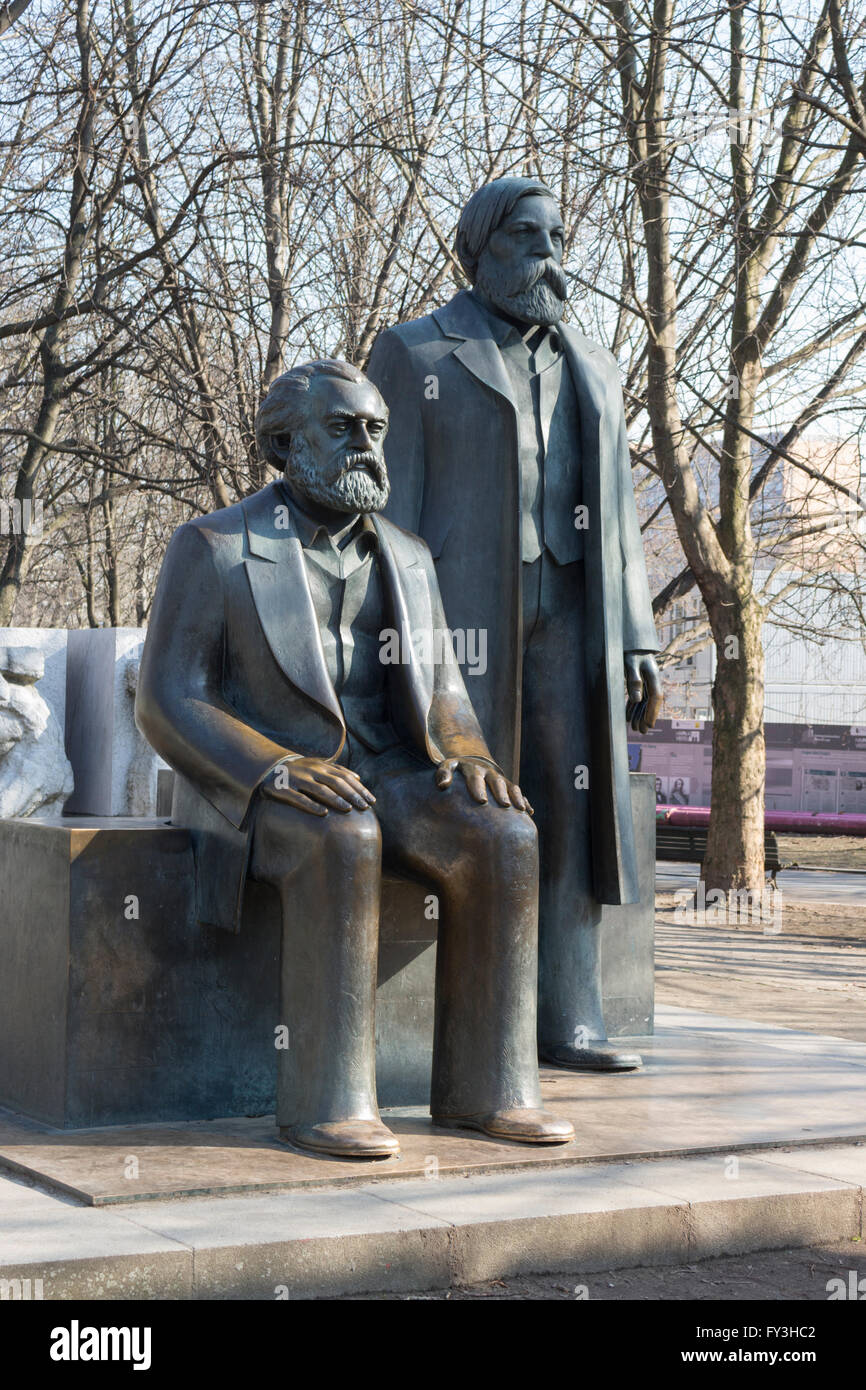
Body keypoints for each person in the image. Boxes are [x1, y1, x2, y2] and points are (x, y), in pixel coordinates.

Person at [136, 358, 573, 1159]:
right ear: (283, 442)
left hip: (393, 775)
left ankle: (489, 1090)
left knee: (504, 835)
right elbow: (170, 699)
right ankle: (327, 1102)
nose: (366, 445)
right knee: (346, 833)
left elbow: (444, 691)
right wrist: (271, 766)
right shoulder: (214, 546)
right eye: (343, 428)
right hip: (256, 784)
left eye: (375, 430)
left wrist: (470, 754)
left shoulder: (407, 555)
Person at [368, 177, 662, 1072]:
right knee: (478, 806)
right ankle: (470, 1027)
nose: (550, 256)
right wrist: (389, 639)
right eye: (529, 237)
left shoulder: (592, 364)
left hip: (573, 617)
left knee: (574, 810)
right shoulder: (416, 351)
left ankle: (569, 1016)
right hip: (463, 618)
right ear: (479, 247)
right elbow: (388, 510)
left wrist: (638, 634)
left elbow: (614, 518)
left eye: (557, 237)